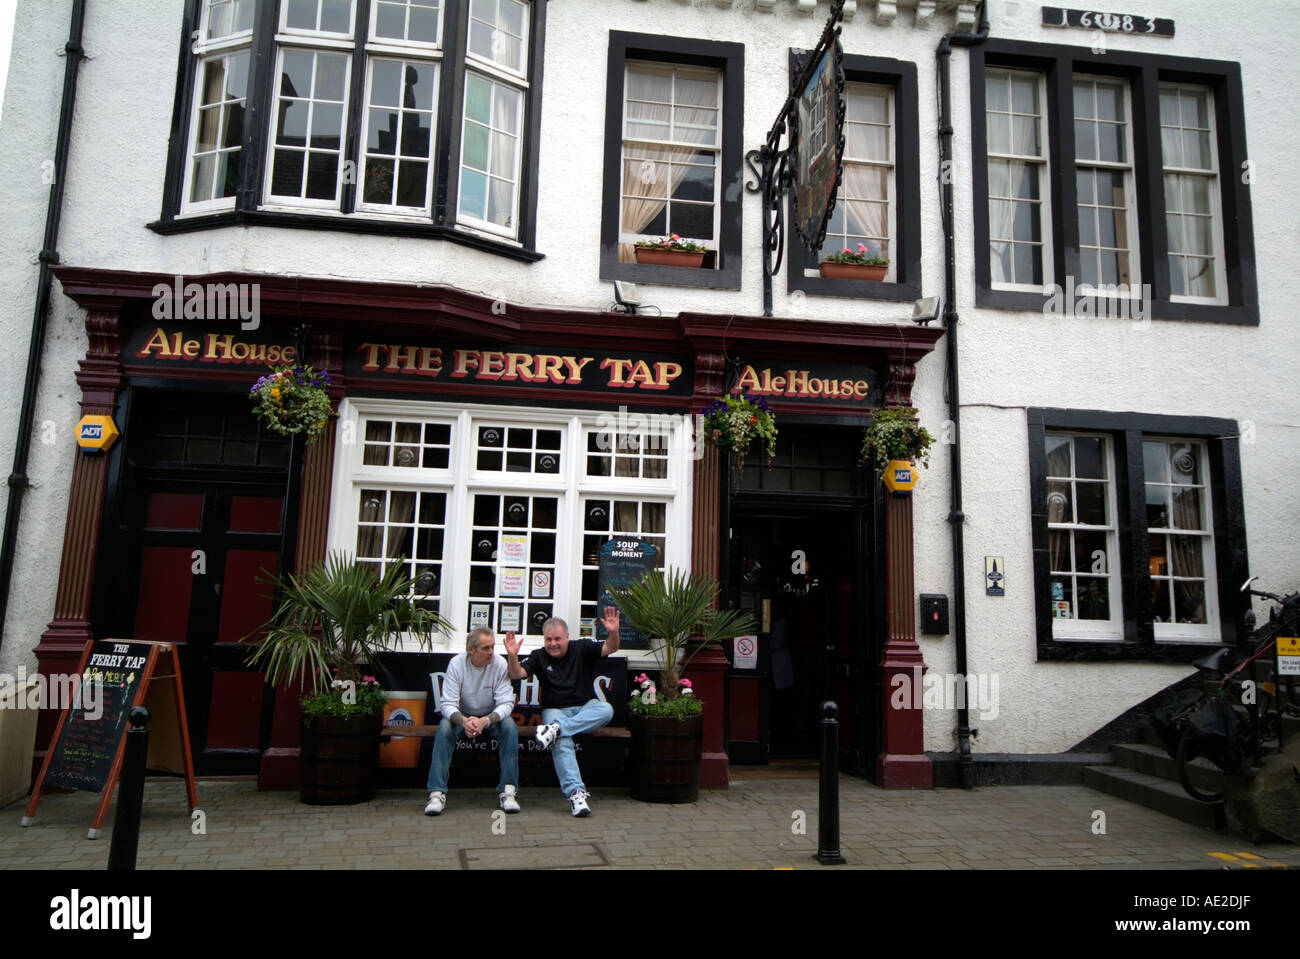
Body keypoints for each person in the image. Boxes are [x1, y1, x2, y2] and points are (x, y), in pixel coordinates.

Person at [502, 607, 620, 816]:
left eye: (557, 638)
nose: (553, 643)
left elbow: (611, 647)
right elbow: (516, 673)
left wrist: (613, 632)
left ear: (567, 637)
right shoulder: (539, 656)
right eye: (548, 639)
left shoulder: (582, 647)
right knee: (561, 741)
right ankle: (576, 795)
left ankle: (555, 729)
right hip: (555, 710)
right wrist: (512, 656)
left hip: (585, 708)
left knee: (606, 709)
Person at [424, 627, 518, 816]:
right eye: (486, 648)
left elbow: (507, 703)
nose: (491, 652)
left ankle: (508, 791)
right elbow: (447, 704)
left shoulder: (500, 663)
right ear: (471, 649)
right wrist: (465, 721)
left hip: (490, 716)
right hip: (463, 715)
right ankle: (436, 793)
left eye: (493, 647)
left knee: (509, 726)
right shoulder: (457, 664)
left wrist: (486, 721)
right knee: (444, 727)